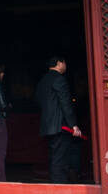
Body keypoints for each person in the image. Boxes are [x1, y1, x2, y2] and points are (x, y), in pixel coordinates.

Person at [35, 55, 81, 184]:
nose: (65, 66)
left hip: (47, 125)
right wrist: (74, 125)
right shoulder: (59, 79)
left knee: (54, 156)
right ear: (59, 63)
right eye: (64, 62)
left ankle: (58, 183)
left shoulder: (43, 80)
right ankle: (59, 186)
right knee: (60, 159)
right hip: (60, 126)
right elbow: (65, 103)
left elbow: (38, 100)